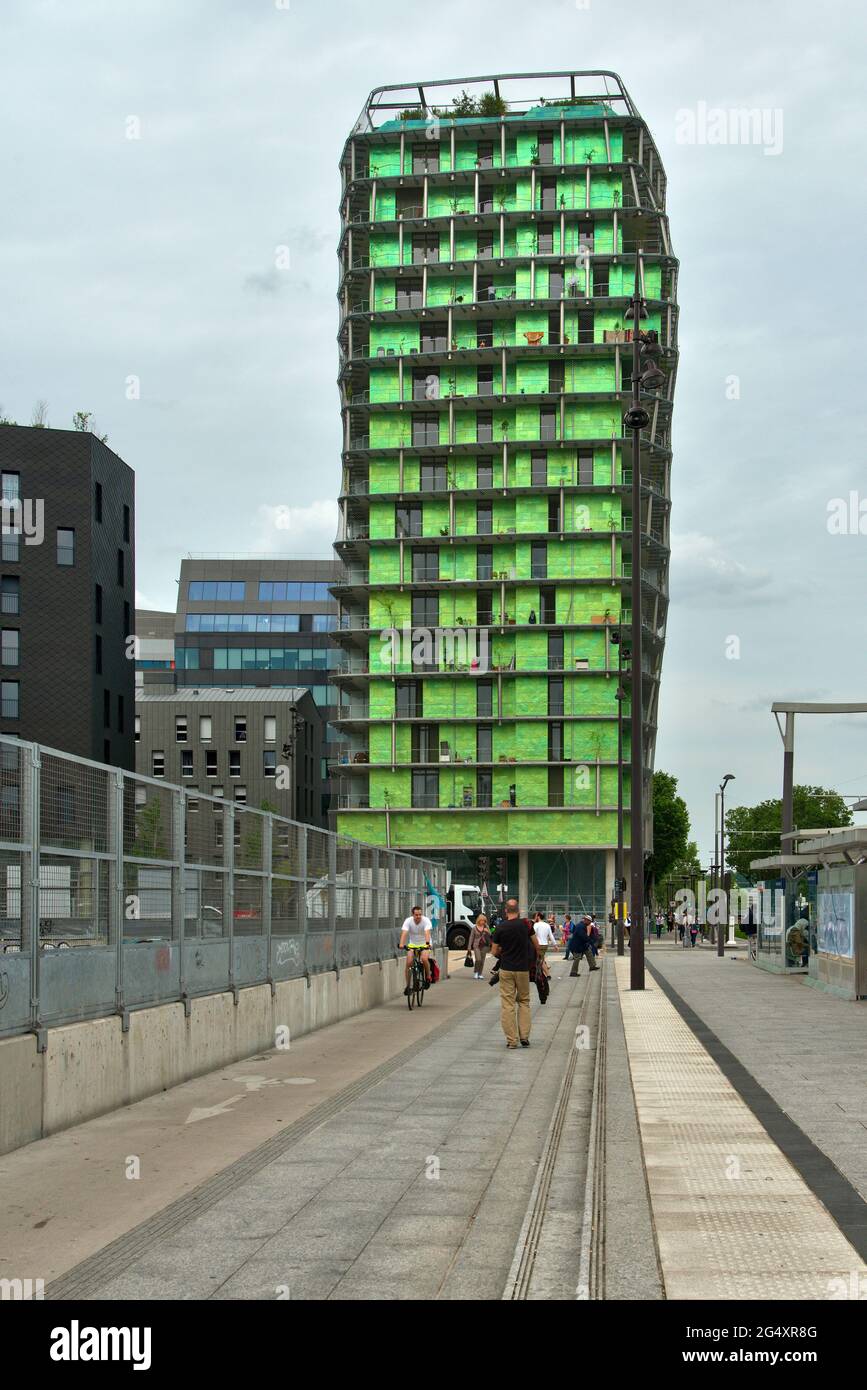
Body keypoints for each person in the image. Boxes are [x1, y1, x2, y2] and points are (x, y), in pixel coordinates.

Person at [490, 898, 539, 1049]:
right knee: (524, 1001)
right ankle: (524, 1036)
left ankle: (512, 1040)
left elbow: (493, 951)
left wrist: (502, 953)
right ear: (518, 911)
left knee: (508, 1004)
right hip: (523, 969)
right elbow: (536, 944)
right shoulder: (526, 925)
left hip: (506, 969)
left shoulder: (500, 927)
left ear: (506, 911)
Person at [399, 905, 432, 995]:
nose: (418, 917)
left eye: (420, 914)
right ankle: (408, 986)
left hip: (424, 943)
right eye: (416, 915)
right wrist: (401, 944)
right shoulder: (408, 921)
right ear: (412, 915)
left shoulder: (426, 921)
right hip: (413, 943)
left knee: (424, 959)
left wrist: (427, 944)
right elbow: (404, 933)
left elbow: (427, 933)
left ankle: (428, 977)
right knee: (409, 962)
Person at [468, 914, 492, 980]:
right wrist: (469, 946)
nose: (483, 922)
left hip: (485, 946)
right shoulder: (474, 928)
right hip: (476, 946)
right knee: (478, 959)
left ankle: (480, 974)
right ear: (479, 920)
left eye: (484, 921)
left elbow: (490, 934)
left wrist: (487, 931)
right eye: (481, 921)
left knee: (482, 960)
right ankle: (476, 972)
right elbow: (471, 937)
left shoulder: (486, 926)